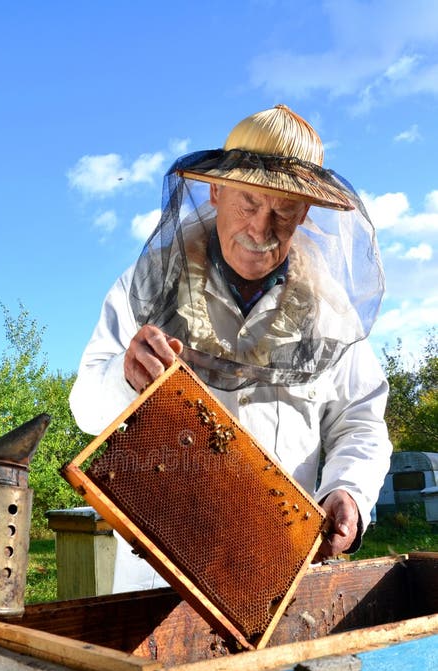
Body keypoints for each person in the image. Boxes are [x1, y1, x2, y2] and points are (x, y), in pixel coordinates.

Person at [70, 104, 392, 591]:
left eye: (283, 209)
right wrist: (123, 376)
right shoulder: (147, 283)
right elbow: (85, 408)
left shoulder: (330, 312)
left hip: (279, 573)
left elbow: (360, 420)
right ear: (216, 192)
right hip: (158, 574)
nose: (261, 229)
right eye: (248, 202)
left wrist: (348, 488)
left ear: (305, 211)